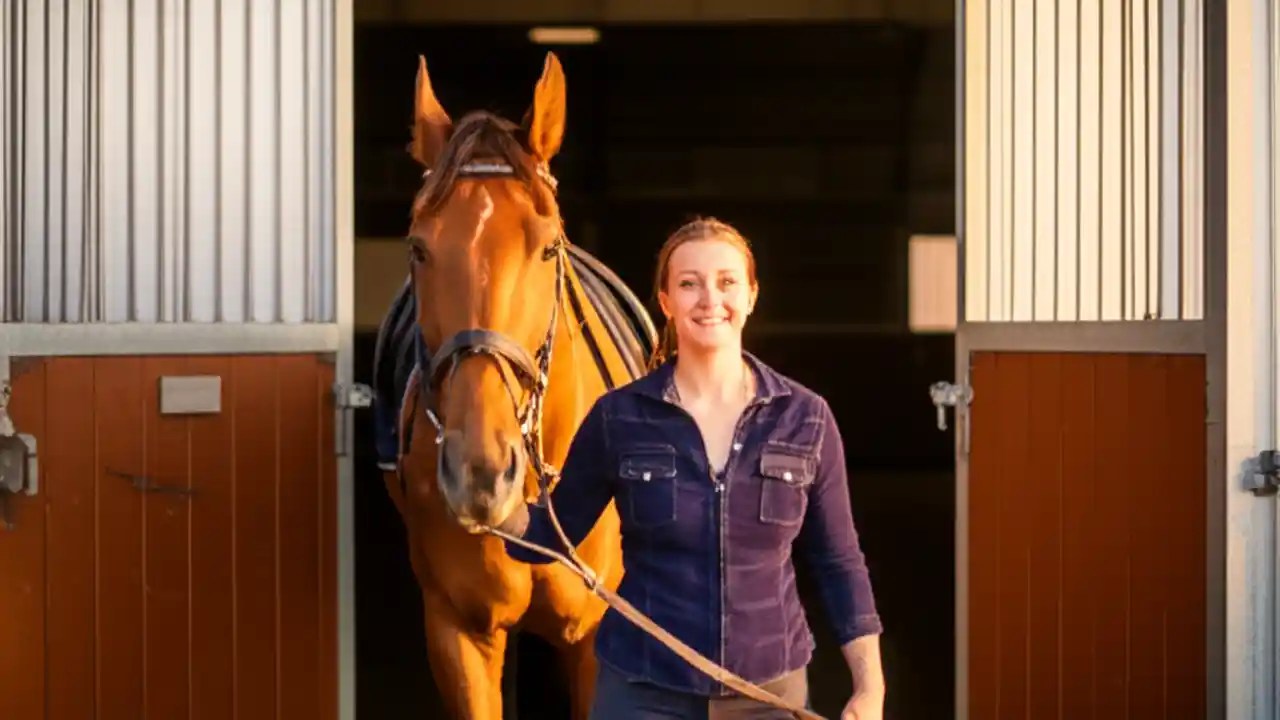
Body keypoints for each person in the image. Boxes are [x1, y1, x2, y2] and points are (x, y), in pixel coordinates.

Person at [497, 217, 885, 720]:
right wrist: (498, 508)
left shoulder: (805, 418)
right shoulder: (619, 417)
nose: (709, 299)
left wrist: (869, 685)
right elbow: (554, 534)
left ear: (751, 296)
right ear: (665, 302)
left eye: (727, 282)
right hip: (642, 690)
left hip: (768, 694)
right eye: (689, 283)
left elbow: (839, 561)